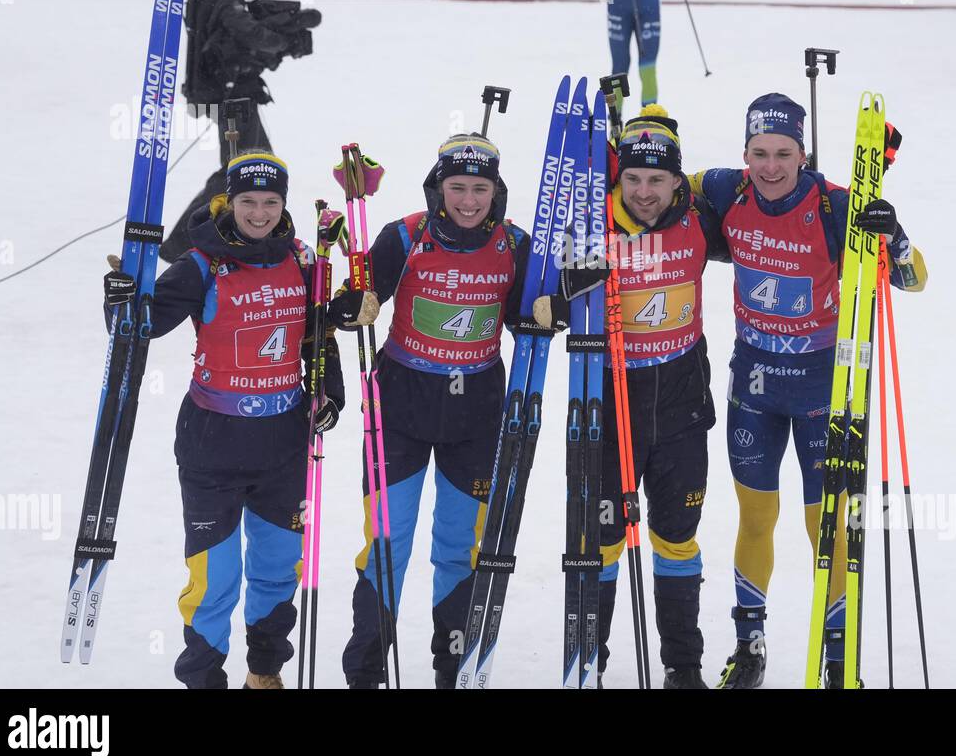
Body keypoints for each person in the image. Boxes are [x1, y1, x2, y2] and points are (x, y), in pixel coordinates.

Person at [688, 94, 928, 689]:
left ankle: (836, 653)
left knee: (828, 526)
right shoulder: (724, 191)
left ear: (803, 153)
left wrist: (892, 237)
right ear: (745, 154)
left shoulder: (835, 207)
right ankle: (750, 645)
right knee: (755, 518)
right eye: (760, 154)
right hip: (755, 384)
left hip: (826, 390)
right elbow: (661, 186)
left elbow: (914, 277)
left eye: (784, 154)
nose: (771, 166)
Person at [103, 150, 344, 688]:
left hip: (284, 444)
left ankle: (265, 673)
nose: (259, 212)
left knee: (279, 568)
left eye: (270, 201)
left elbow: (317, 336)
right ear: (227, 202)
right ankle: (205, 680)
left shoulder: (304, 260)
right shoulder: (201, 264)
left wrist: (328, 392)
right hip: (213, 443)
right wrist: (121, 302)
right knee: (214, 580)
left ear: (283, 205)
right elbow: (143, 325)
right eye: (247, 201)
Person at [329, 135, 531, 689]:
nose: (468, 200)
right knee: (388, 543)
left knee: (460, 547)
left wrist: (548, 306)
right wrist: (356, 304)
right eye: (457, 187)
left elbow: (527, 317)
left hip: (477, 413)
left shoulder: (514, 244)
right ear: (439, 187)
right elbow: (358, 294)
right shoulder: (406, 234)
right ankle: (366, 671)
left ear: (497, 191)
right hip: (400, 407)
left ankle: (453, 668)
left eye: (480, 189)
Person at [534, 105, 726, 688]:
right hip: (610, 402)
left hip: (683, 402)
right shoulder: (591, 230)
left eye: (658, 180)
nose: (645, 192)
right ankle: (591, 663)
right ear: (618, 179)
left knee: (677, 536)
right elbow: (545, 307)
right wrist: (563, 291)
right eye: (634, 179)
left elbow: (769, 228)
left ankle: (684, 669)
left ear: (677, 182)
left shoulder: (699, 223)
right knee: (603, 539)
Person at [165, 0, 320, 262]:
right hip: (233, 97)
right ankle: (182, 241)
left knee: (258, 163)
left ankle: (229, 231)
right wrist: (283, 41)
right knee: (237, 172)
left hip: (236, 93)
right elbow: (248, 32)